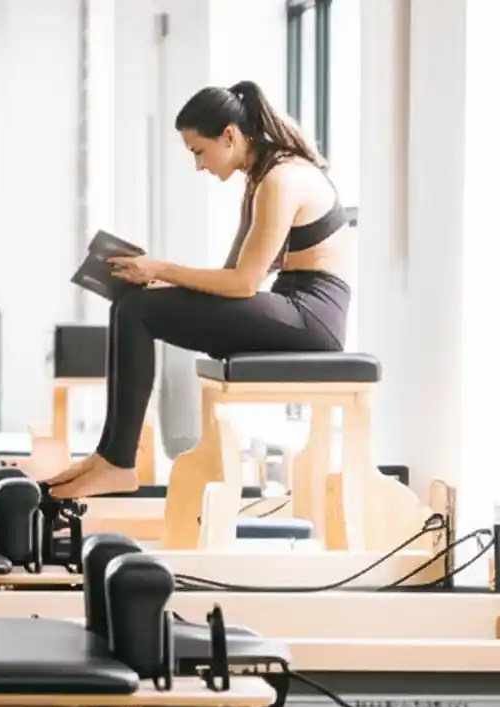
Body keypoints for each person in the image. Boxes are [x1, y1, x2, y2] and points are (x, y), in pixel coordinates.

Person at [47, 80, 354, 500]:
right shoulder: (261, 178)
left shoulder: (281, 179)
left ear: (229, 135)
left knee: (137, 310)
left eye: (198, 152)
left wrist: (164, 270)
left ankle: (117, 463)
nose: (199, 166)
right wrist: (159, 283)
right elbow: (233, 275)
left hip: (312, 318)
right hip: (293, 304)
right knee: (132, 303)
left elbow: (244, 284)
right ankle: (108, 458)